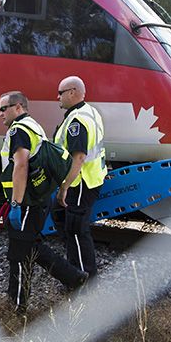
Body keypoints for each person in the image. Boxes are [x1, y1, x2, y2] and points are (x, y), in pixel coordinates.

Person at [0, 91, 87, 315]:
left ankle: (17, 307)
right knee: (31, 245)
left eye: (3, 108)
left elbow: (21, 166)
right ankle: (74, 278)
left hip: (26, 201)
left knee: (19, 252)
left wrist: (16, 204)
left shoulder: (19, 130)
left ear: (18, 107)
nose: (0, 113)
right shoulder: (33, 125)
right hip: (37, 198)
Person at [53, 76, 106, 278]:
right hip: (90, 179)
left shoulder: (77, 120)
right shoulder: (90, 111)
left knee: (76, 231)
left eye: (60, 93)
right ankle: (74, 270)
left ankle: (85, 279)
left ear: (72, 92)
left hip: (81, 182)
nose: (57, 97)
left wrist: (64, 187)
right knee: (64, 221)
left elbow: (79, 157)